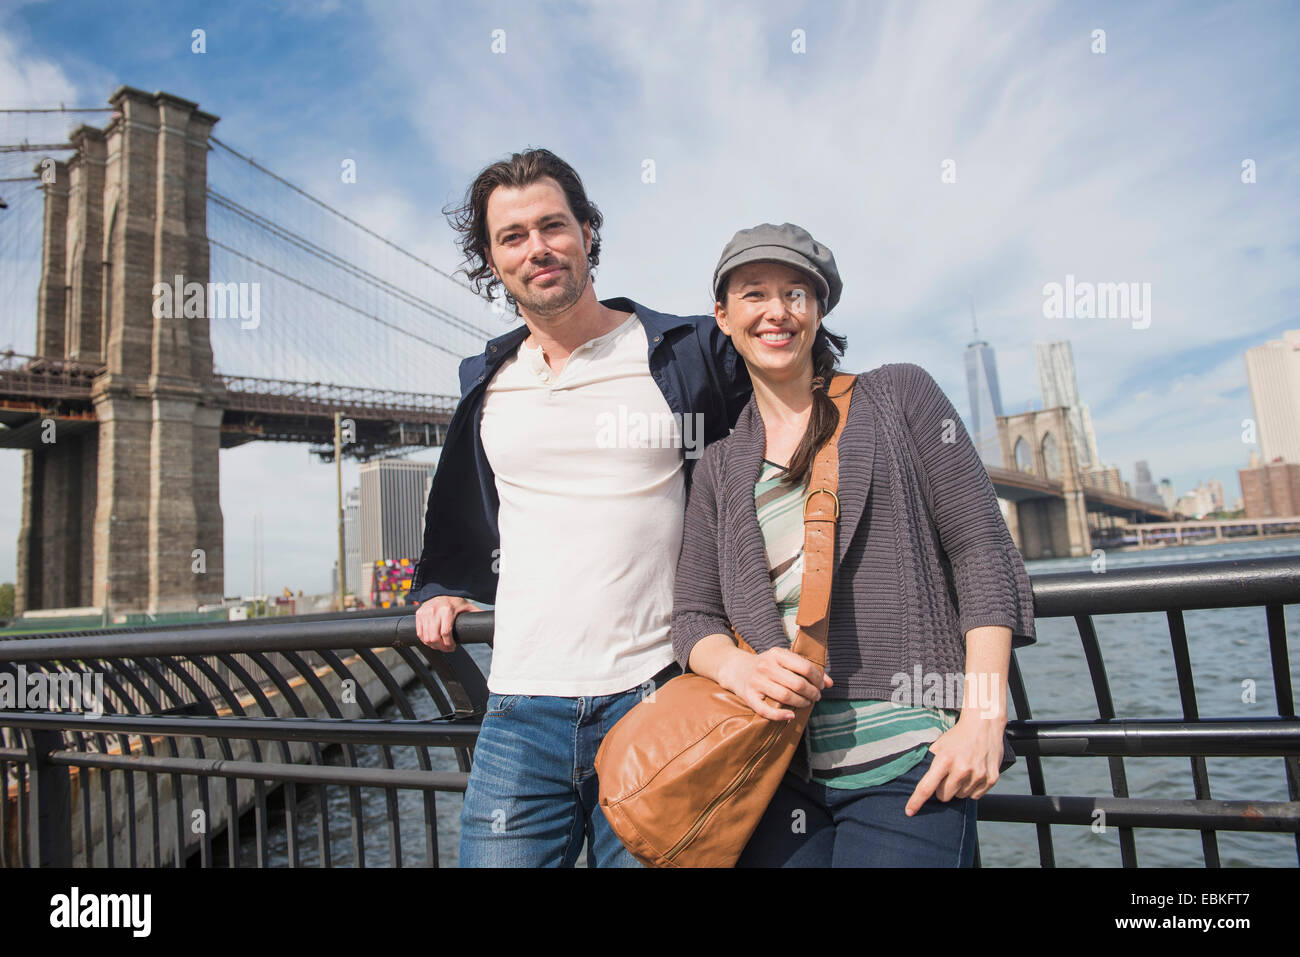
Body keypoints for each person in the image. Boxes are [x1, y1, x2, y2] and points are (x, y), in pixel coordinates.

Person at [409, 148, 751, 867]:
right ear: (492, 259)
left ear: (588, 232)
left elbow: (794, 430)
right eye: (513, 236)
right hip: (518, 711)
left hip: (658, 696)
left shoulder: (686, 352)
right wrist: (445, 583)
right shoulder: (487, 381)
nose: (538, 248)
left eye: (553, 225)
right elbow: (470, 505)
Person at [671, 223, 1037, 867]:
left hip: (910, 762)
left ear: (820, 310)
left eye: (796, 293)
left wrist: (983, 718)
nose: (776, 311)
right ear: (724, 318)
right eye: (754, 294)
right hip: (772, 769)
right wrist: (741, 668)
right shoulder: (719, 465)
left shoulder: (901, 395)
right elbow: (694, 617)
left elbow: (981, 550)